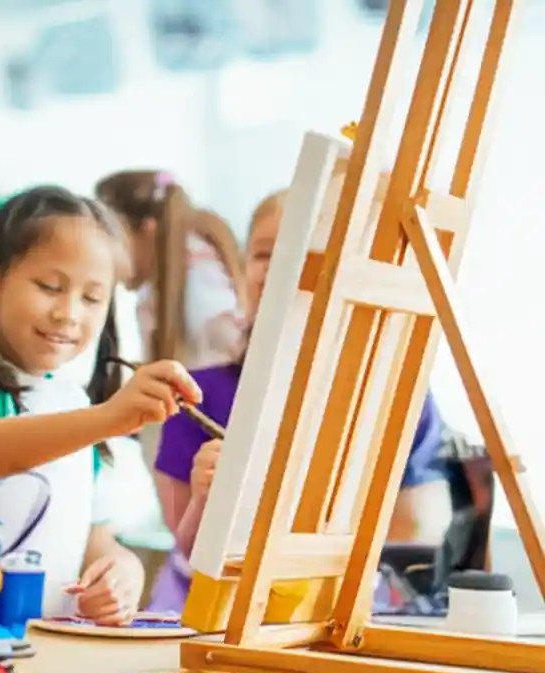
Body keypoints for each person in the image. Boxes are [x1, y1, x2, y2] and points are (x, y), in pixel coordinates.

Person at [0, 187, 202, 622]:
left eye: (92, 298)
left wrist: (120, 570)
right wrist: (105, 418)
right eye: (49, 287)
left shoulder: (73, 402)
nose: (68, 313)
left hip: (46, 645)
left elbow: (91, 537)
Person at [148, 190, 451, 613]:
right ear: (241, 270)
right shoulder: (195, 394)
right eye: (263, 254)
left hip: (349, 615)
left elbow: (417, 529)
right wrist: (205, 500)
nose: (278, 269)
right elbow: (189, 546)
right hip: (207, 616)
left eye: (304, 252)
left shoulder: (395, 396)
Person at [94, 169, 247, 369]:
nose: (108, 254)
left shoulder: (203, 285)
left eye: (112, 238)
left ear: (148, 230)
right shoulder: (160, 292)